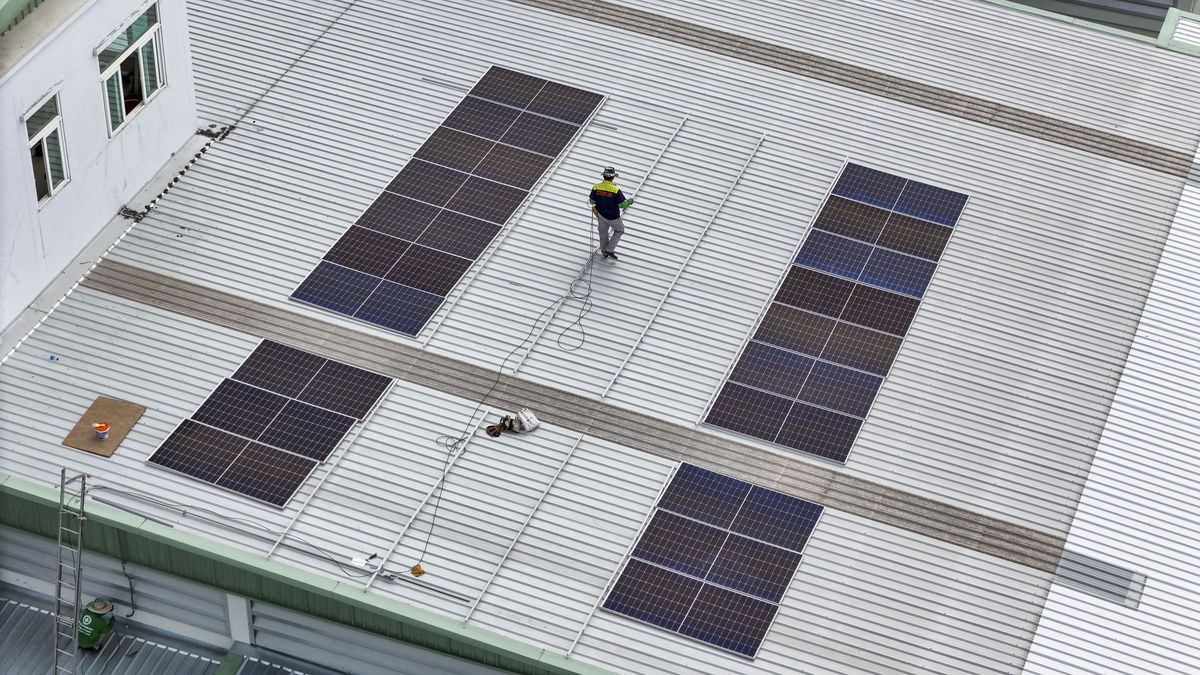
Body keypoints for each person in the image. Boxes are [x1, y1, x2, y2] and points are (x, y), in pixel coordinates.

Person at [588, 167, 633, 260]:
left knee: (603, 232)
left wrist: (595, 210)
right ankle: (609, 249)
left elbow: (592, 200)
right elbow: (621, 205)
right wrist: (630, 201)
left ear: (603, 176)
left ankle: (604, 250)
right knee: (619, 230)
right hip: (613, 217)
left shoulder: (596, 187)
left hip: (600, 214)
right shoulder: (615, 189)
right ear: (613, 178)